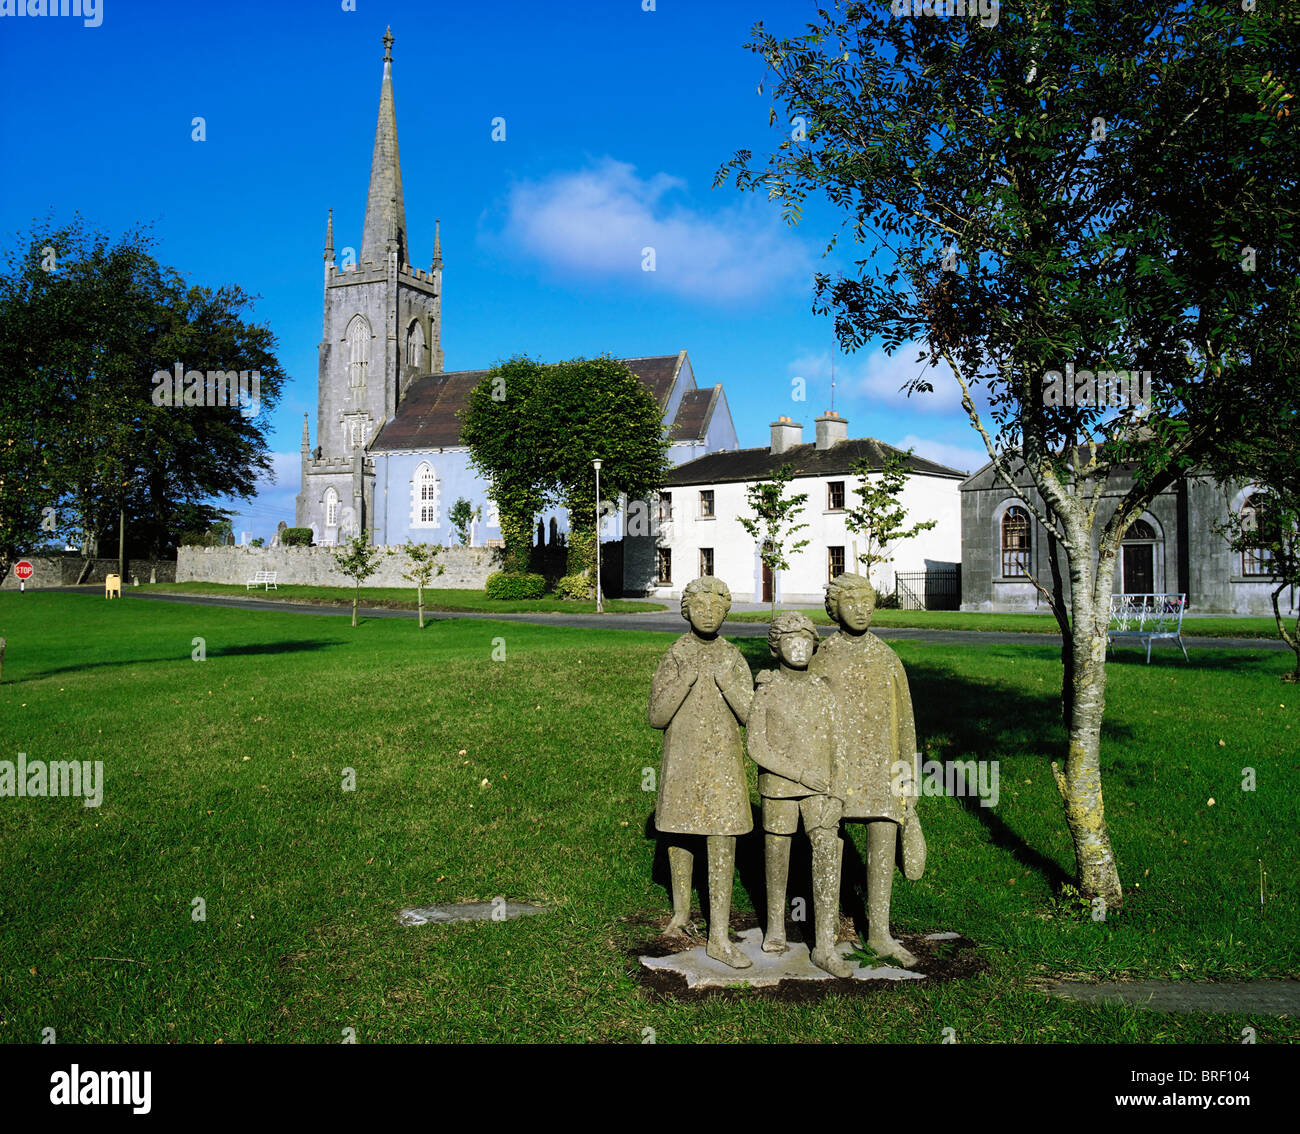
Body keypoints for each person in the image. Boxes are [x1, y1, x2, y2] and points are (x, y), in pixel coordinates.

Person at [810, 573, 925, 967]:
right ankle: (824, 938)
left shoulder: (886, 657)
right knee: (828, 841)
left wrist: (907, 775)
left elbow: (905, 721)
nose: (862, 609)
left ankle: (879, 931)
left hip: (880, 768)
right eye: (852, 601)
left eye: (868, 601)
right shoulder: (822, 657)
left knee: (883, 834)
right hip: (835, 770)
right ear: (834, 607)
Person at [647, 576, 754, 969]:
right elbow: (657, 716)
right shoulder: (676, 655)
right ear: (686, 610)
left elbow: (751, 716)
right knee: (680, 828)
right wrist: (684, 680)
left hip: (723, 759)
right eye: (699, 606)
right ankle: (681, 913)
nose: (707, 613)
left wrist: (728, 686)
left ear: (726, 611)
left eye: (715, 606)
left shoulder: (733, 658)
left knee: (722, 833)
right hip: (684, 756)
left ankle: (720, 935)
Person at [748, 611, 852, 977]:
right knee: (777, 851)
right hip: (780, 786)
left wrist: (838, 792)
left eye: (806, 640)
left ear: (814, 645)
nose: (798, 647)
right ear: (776, 647)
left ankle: (825, 944)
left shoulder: (823, 691)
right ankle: (776, 925)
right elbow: (757, 747)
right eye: (790, 639)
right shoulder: (767, 689)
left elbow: (840, 745)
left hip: (821, 787)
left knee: (826, 849)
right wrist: (800, 774)